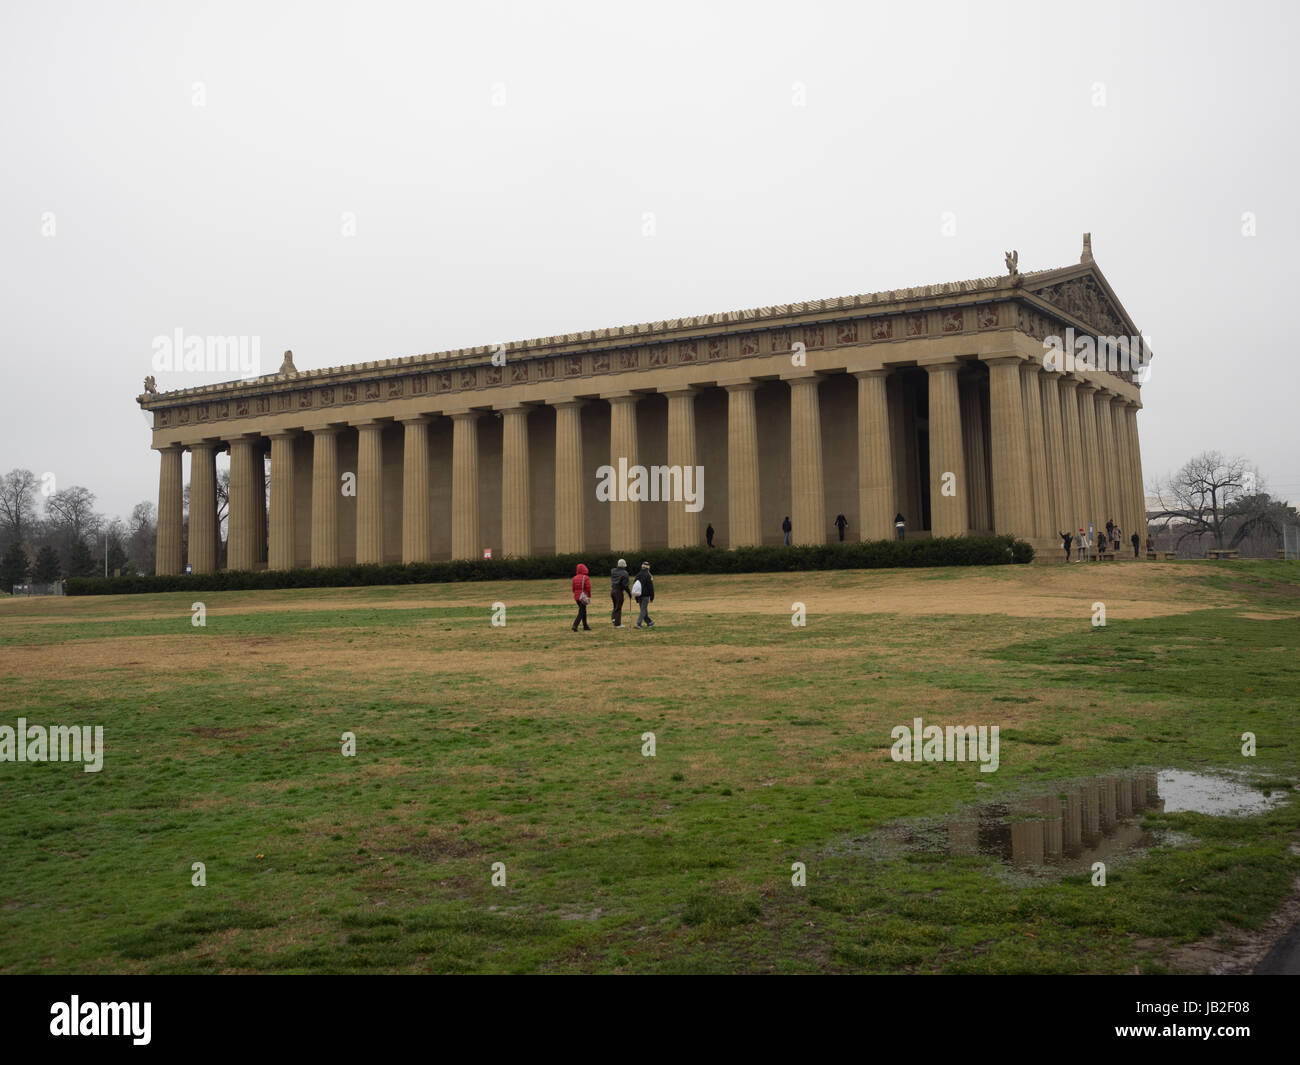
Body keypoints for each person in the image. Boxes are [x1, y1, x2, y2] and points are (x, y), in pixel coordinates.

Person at [609, 558, 631, 628]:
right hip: (618, 592)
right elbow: (625, 585)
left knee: (615, 606)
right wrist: (629, 593)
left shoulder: (613, 571)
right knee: (618, 607)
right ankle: (617, 624)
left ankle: (613, 618)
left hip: (612, 591)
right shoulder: (625, 573)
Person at [633, 561, 655, 628]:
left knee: (643, 609)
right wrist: (652, 596)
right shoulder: (648, 575)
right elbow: (650, 587)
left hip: (638, 595)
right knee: (643, 610)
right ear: (648, 568)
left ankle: (649, 622)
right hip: (645, 595)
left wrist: (636, 597)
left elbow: (635, 587)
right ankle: (638, 624)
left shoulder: (637, 575)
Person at [570, 563, 591, 632]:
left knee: (583, 610)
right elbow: (588, 588)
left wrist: (576, 594)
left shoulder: (574, 578)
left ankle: (585, 626)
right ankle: (575, 625)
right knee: (581, 611)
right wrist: (589, 595)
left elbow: (573, 588)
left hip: (576, 597)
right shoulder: (586, 578)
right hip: (583, 596)